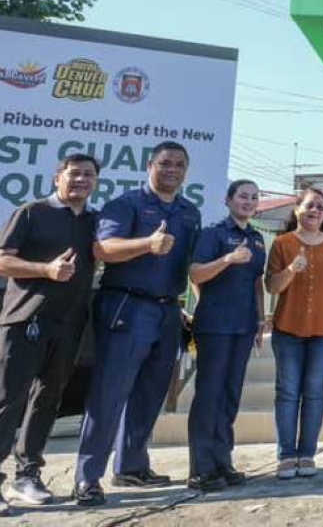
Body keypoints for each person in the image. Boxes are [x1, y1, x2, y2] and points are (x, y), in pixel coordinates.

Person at [74, 141, 202, 506]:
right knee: (110, 393)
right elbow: (102, 249)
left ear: (186, 171)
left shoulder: (189, 212)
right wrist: (147, 243)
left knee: (151, 393)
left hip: (167, 311)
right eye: (165, 163)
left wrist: (193, 307)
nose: (172, 170)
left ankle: (131, 465)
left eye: (179, 164)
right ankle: (87, 477)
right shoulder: (126, 204)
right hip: (126, 306)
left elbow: (188, 265)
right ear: (150, 165)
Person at [0, 154, 98, 513]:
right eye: (74, 174)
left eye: (89, 175)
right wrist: (45, 269)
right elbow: (3, 259)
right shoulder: (31, 212)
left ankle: (27, 474)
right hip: (25, 320)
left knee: (48, 399)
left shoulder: (94, 221)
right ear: (58, 177)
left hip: (69, 324)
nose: (81, 181)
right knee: (9, 399)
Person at [185, 180, 267, 491]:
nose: (248, 201)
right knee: (209, 395)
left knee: (230, 395)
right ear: (228, 199)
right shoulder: (214, 233)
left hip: (244, 326)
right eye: (242, 196)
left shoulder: (257, 238)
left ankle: (222, 460)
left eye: (254, 197)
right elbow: (196, 273)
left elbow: (257, 281)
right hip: (215, 325)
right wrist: (227, 260)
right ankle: (201, 468)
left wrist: (260, 319)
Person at [266, 187, 323, 480]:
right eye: (310, 205)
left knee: (315, 394)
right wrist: (291, 270)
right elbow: (272, 287)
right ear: (297, 209)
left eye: (321, 207)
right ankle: (287, 455)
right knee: (287, 393)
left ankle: (307, 454)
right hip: (287, 330)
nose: (315, 211)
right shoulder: (282, 243)